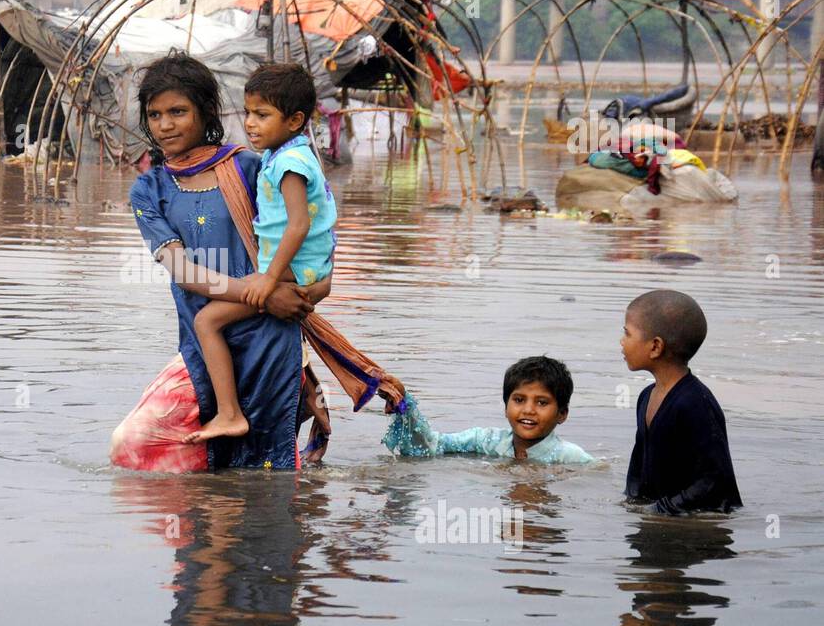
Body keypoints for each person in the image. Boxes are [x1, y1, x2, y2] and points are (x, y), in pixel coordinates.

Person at [110, 53, 402, 472]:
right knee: (132, 444)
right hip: (204, 340)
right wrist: (267, 295)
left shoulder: (250, 166)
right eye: (155, 114)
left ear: (206, 111)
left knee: (266, 471)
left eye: (178, 111)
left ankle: (261, 532)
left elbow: (315, 223)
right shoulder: (150, 188)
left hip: (270, 340)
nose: (165, 125)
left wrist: (316, 286)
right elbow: (183, 272)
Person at [185, 63, 336, 443]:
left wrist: (270, 279)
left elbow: (299, 224)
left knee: (206, 321)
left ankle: (229, 413)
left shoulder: (289, 163)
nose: (250, 123)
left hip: (290, 274)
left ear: (295, 119)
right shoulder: (285, 154)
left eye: (262, 115)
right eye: (249, 112)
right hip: (299, 272)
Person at [620, 290, 742, 513]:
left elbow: (714, 481)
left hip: (698, 534)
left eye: (627, 334)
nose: (621, 341)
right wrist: (632, 502)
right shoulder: (646, 396)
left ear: (655, 346)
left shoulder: (696, 403)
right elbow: (638, 466)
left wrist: (659, 510)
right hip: (662, 521)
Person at [384, 356, 595, 463]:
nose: (528, 410)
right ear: (505, 407)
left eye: (542, 403)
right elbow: (429, 446)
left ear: (562, 414)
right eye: (519, 400)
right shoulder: (485, 442)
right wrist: (405, 404)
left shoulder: (572, 458)